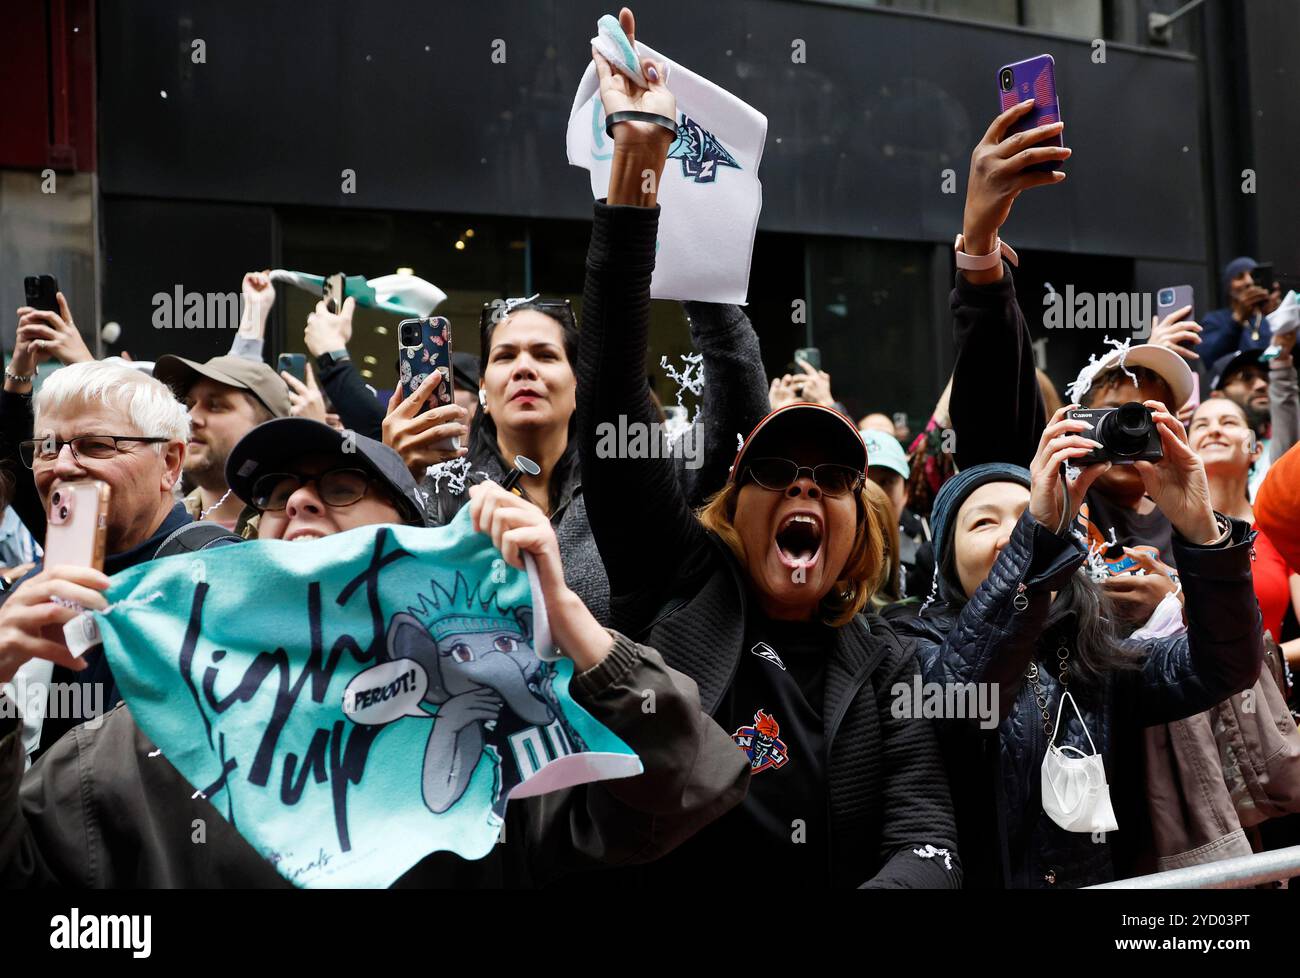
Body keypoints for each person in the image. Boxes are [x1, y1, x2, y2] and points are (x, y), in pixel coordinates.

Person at [0, 416, 749, 887]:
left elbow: (691, 784)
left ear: (412, 542)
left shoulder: (494, 730)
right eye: (276, 494)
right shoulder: (140, 744)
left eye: (341, 483)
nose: (298, 500)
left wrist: (571, 619)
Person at [576, 8, 959, 888]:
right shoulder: (674, 585)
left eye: (831, 477)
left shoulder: (894, 660)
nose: (804, 489)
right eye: (776, 471)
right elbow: (610, 406)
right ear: (732, 505)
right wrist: (635, 180)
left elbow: (928, 841)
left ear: (859, 523)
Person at [896, 406, 1263, 888]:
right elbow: (965, 703)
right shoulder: (911, 642)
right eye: (984, 523)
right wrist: (1037, 535)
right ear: (946, 561)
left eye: (1026, 517)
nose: (1010, 535)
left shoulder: (1092, 650)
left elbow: (1226, 666)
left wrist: (1201, 531)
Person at [2, 360, 239, 762]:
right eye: (46, 447)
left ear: (169, 463)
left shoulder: (221, 581)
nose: (61, 466)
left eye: (96, 445)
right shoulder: (30, 591)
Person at [1188, 397, 1298, 659]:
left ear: (1255, 449)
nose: (1214, 430)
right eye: (1201, 425)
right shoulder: (1162, 527)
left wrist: (1258, 660)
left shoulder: (1278, 525)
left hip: (1264, 695)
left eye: (1229, 422)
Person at [153, 354, 291, 533]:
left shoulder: (298, 529)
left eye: (215, 406)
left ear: (266, 429)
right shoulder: (158, 527)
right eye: (190, 405)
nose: (191, 418)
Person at [1207, 329, 1299, 498]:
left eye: (1266, 377)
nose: (1261, 384)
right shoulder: (1204, 445)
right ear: (1217, 395)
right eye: (1245, 377)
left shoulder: (1288, 445)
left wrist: (1282, 362)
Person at [1198, 257, 1283, 367]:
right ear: (1229, 287)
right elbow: (1209, 358)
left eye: (1253, 275)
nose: (1249, 282)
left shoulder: (1270, 318)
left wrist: (1280, 315)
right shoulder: (1215, 319)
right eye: (1240, 277)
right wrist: (1237, 319)